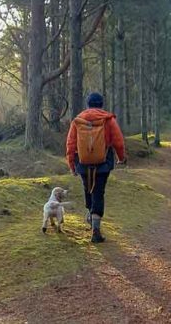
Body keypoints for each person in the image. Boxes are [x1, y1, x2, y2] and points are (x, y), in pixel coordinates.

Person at [66, 92, 126, 243]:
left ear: (88, 104)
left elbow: (70, 144)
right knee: (98, 191)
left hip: (83, 162)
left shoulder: (78, 120)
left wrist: (72, 164)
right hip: (103, 162)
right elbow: (118, 141)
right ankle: (96, 228)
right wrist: (121, 158)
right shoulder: (108, 119)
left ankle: (90, 214)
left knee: (87, 189)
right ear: (101, 104)